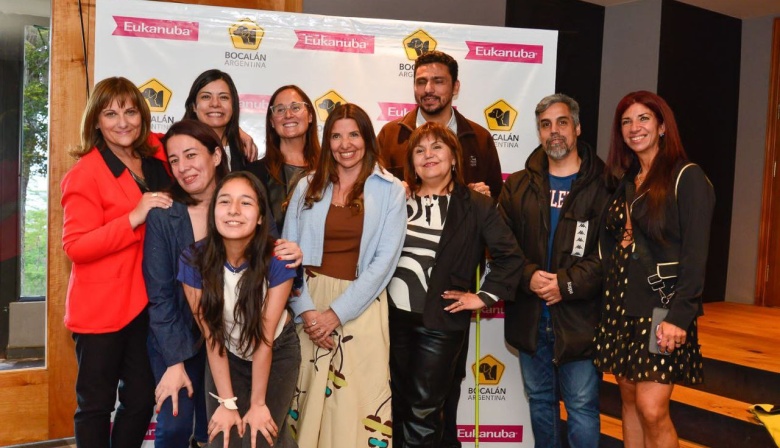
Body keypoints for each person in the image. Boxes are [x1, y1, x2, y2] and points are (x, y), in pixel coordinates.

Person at [377, 50, 502, 445]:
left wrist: (481, 295)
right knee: (400, 402)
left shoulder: (478, 137)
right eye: (421, 82)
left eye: (438, 82)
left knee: (437, 402)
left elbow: (496, 217)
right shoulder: (390, 136)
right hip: (395, 310)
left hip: (446, 302)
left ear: (455, 87)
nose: (428, 90)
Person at [388, 122, 522, 446]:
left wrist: (483, 296)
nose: (427, 155)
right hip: (390, 321)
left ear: (453, 158)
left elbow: (510, 257)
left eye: (436, 147)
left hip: (440, 324)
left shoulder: (475, 204)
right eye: (419, 150)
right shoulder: (396, 201)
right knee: (396, 408)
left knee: (424, 414)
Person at [594, 91, 715, 447]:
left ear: (662, 126)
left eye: (644, 119)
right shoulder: (626, 181)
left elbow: (696, 254)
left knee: (651, 407)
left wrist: (680, 315)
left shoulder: (687, 177)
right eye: (626, 122)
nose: (635, 128)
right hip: (620, 305)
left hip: (662, 309)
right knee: (629, 402)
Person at [282, 103, 406, 447]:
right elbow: (288, 252)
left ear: (367, 138)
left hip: (360, 308)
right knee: (304, 406)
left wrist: (335, 315)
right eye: (336, 135)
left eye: (353, 134)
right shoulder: (307, 185)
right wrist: (307, 313)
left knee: (353, 408)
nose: (345, 143)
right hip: (306, 303)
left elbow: (384, 262)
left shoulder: (390, 190)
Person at [61, 76, 173, 447]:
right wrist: (132, 217)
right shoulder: (85, 173)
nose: (122, 122)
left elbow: (194, 139)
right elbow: (75, 246)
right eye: (110, 113)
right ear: (96, 121)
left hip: (144, 305)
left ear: (142, 116)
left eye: (129, 111)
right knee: (95, 405)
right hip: (100, 311)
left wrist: (234, 137)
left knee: (142, 400)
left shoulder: (153, 154)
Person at [499, 94, 608, 448]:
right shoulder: (517, 186)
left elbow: (609, 256)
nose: (554, 132)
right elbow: (501, 246)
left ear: (577, 128)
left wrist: (565, 284)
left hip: (581, 318)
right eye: (545, 125)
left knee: (581, 407)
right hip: (531, 317)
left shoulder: (606, 186)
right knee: (541, 404)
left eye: (562, 122)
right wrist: (527, 276)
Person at [179, 171, 300, 447]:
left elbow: (264, 339)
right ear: (213, 213)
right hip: (226, 353)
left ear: (260, 217)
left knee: (262, 436)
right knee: (224, 437)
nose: (233, 210)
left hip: (275, 350)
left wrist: (257, 404)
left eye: (245, 203)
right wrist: (227, 403)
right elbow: (212, 337)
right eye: (224, 202)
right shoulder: (193, 260)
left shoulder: (279, 259)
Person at [247, 85, 320, 233]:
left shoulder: (329, 171)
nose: (288, 115)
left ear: (310, 116)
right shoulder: (254, 174)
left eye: (296, 107)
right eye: (280, 109)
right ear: (272, 122)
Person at [183, 69, 258, 171]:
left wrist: (236, 131)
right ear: (194, 106)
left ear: (233, 105)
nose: (215, 104)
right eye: (206, 97)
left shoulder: (245, 151)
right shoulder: (178, 147)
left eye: (223, 97)